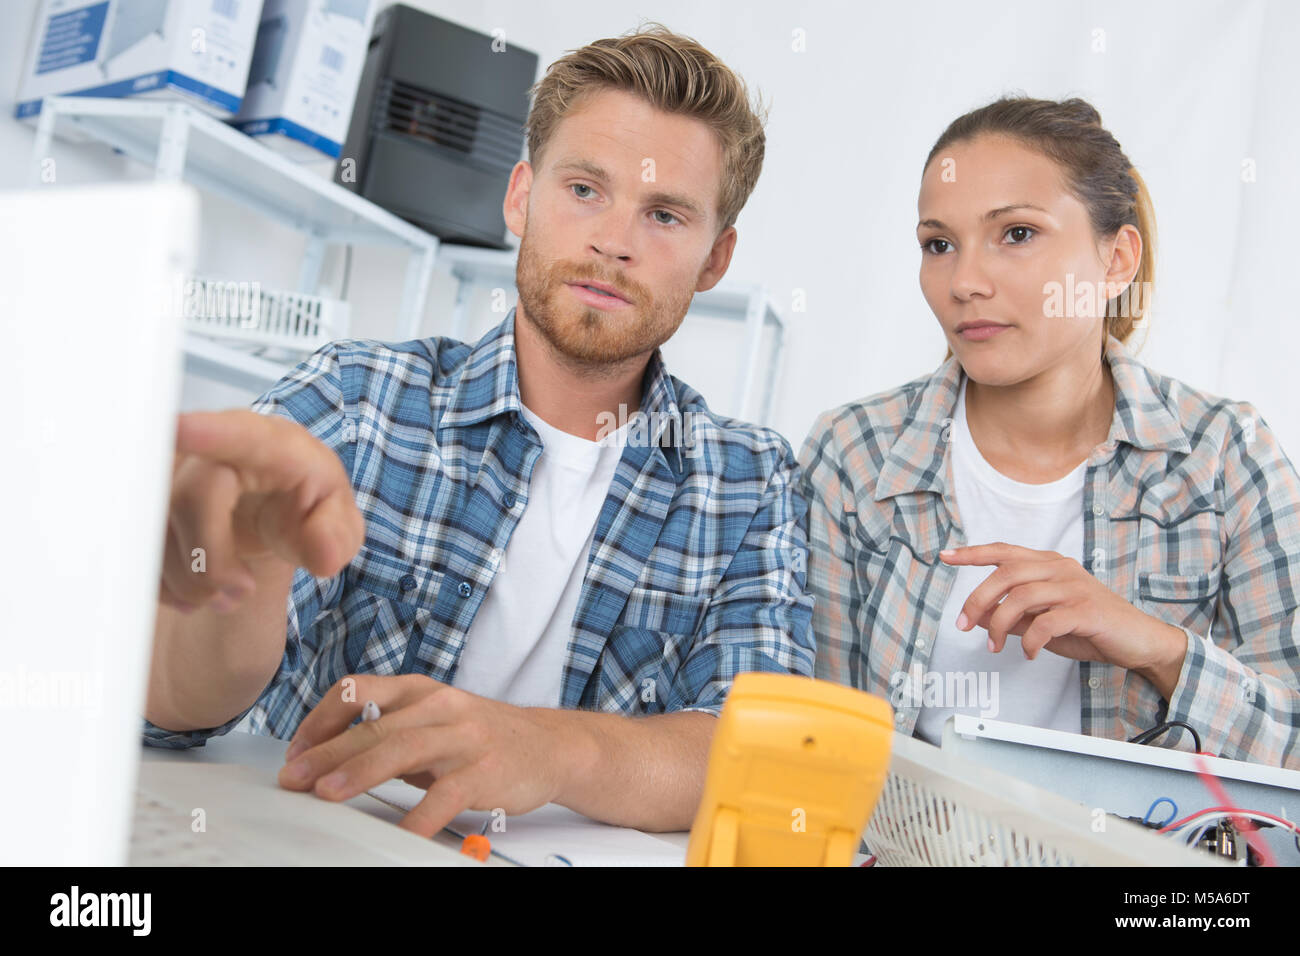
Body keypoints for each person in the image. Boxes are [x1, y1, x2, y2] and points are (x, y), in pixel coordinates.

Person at [144, 24, 814, 835]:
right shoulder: (357, 401)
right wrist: (241, 564)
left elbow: (762, 760)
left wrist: (546, 749)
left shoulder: (750, 483)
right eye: (583, 190)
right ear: (522, 197)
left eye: (666, 215)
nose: (615, 242)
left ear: (716, 258)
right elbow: (169, 710)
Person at [799, 96, 1300, 768]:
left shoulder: (1225, 456)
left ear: (1116, 260)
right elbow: (807, 739)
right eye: (938, 245)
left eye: (1017, 234)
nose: (966, 281)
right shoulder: (853, 454)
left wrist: (1155, 646)